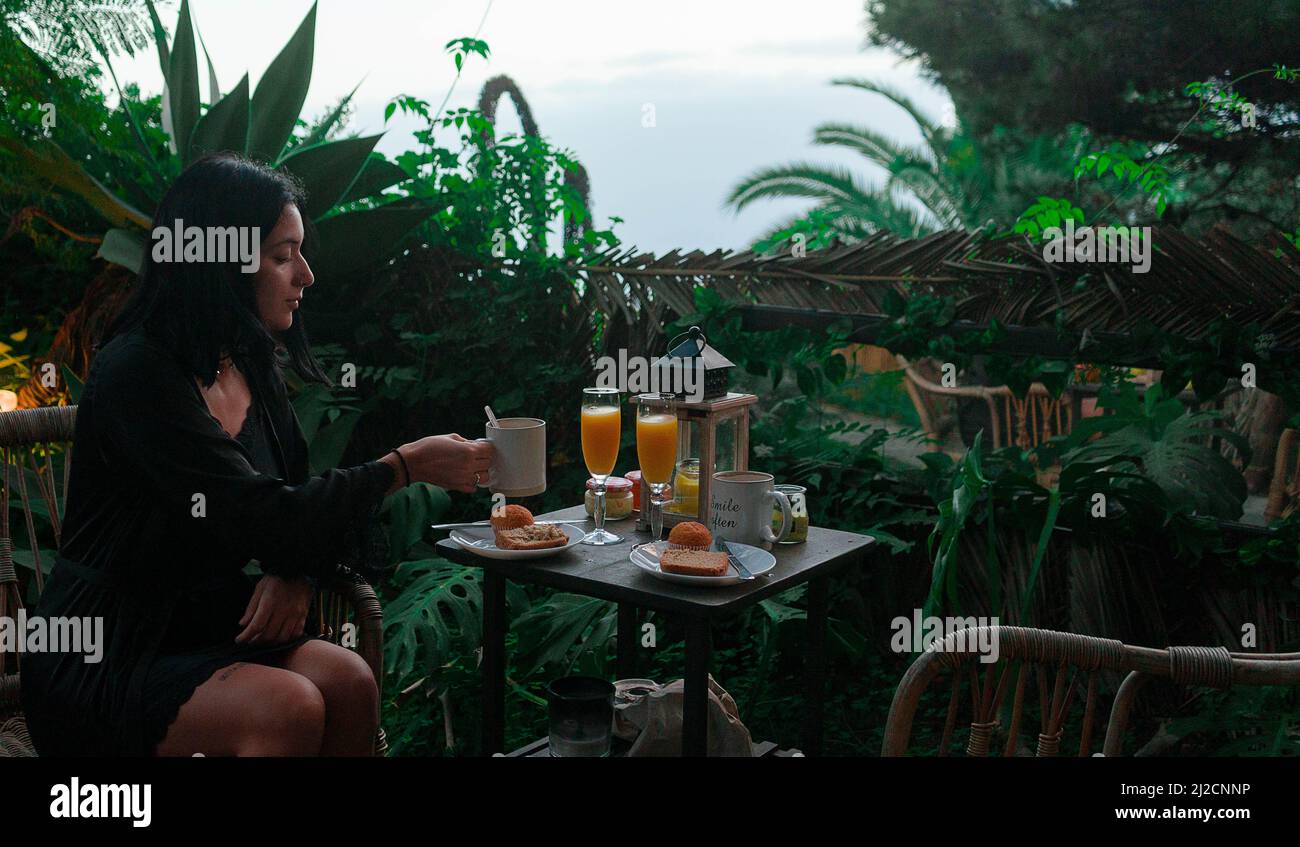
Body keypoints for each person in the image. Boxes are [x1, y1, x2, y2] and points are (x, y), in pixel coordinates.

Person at [20, 153, 492, 756]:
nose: (306, 275)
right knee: (287, 707)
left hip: (209, 625)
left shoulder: (249, 362)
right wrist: (405, 467)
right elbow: (260, 513)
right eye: (281, 256)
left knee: (349, 681)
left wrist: (295, 570)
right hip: (109, 648)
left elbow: (294, 503)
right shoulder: (137, 374)